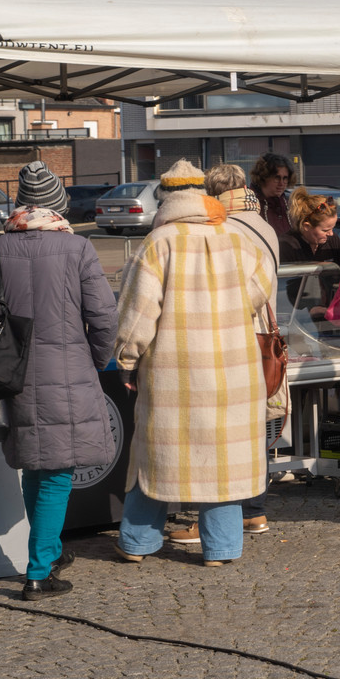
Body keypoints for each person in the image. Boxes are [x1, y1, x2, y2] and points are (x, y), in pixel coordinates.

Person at [0, 160, 117, 601]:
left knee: (36, 464)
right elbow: (104, 317)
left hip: (10, 375)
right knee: (57, 473)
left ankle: (47, 552)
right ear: (57, 207)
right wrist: (96, 360)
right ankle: (38, 570)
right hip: (68, 371)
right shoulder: (78, 250)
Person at [113, 159, 276, 566]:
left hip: (174, 372)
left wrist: (127, 361)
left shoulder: (158, 243)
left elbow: (137, 316)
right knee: (223, 463)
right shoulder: (238, 240)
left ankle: (137, 543)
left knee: (154, 457)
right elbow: (262, 288)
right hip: (233, 370)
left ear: (166, 197)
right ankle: (220, 549)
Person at [165, 164, 280, 544]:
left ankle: (218, 521)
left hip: (233, 337)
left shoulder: (225, 227)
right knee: (251, 428)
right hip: (264, 335)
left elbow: (230, 290)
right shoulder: (262, 220)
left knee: (218, 436)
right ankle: (255, 511)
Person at [280, 186, 340, 276]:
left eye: (333, 228)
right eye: (325, 230)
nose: (331, 234)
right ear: (306, 226)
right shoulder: (286, 246)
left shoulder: (333, 240)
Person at [250, 152, 296, 237]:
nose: (281, 183)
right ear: (264, 177)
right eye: (277, 178)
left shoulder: (289, 204)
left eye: (285, 178)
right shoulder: (250, 204)